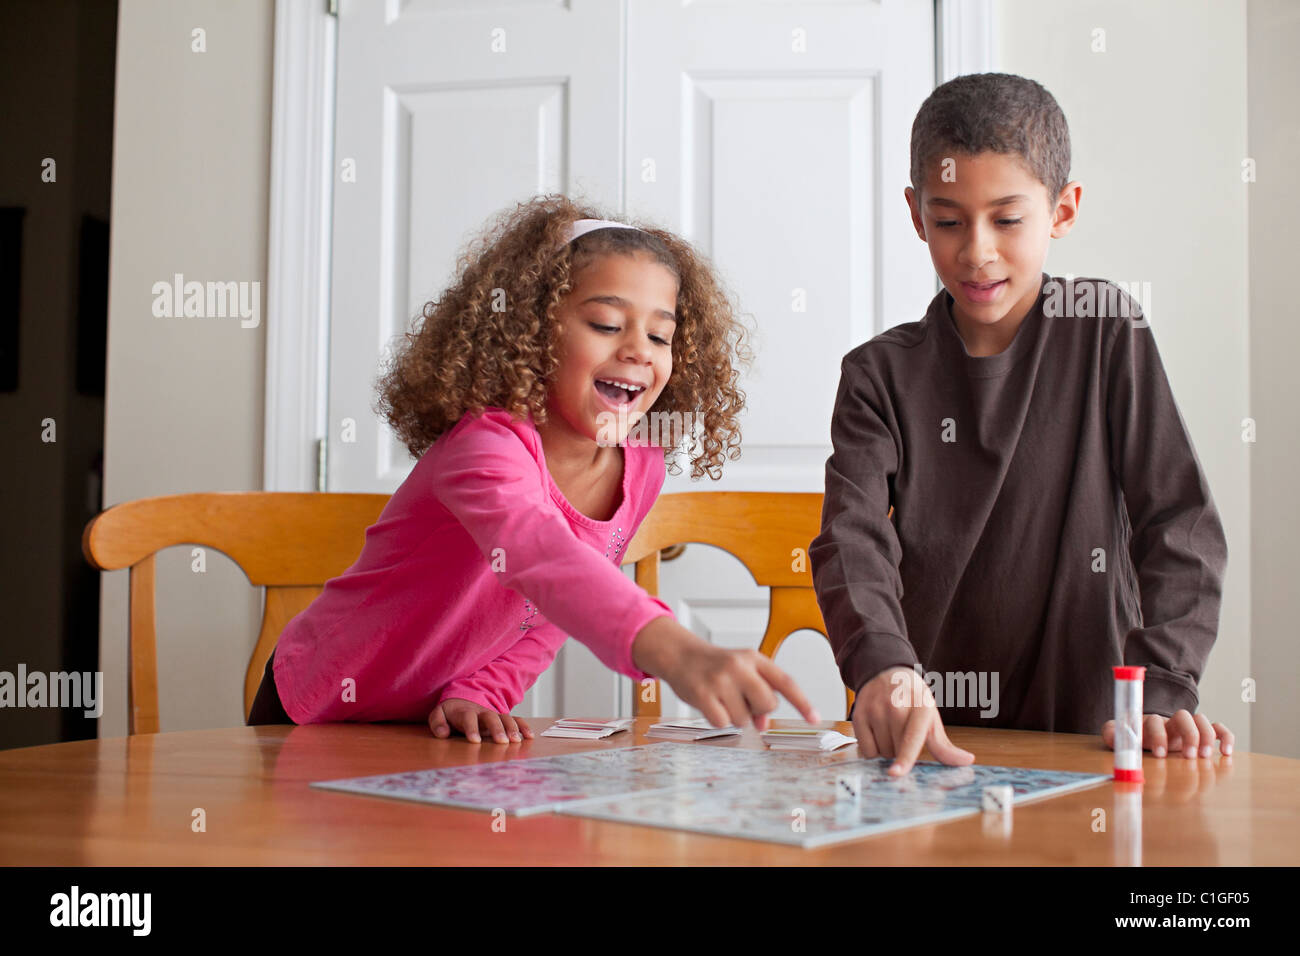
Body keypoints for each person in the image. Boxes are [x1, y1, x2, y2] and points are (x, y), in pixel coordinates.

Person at [248, 195, 819, 740]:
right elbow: (541, 556)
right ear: (531, 331)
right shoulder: (483, 446)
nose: (640, 350)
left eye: (660, 335)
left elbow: (550, 611)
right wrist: (673, 647)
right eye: (604, 324)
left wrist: (485, 690)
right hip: (316, 710)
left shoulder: (641, 465)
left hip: (427, 729)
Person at [810, 72, 1233, 775]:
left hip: (1098, 734)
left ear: (1062, 210)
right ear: (916, 215)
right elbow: (851, 538)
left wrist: (1162, 688)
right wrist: (881, 664)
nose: (977, 251)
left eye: (1007, 220)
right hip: (937, 744)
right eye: (949, 221)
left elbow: (1180, 521)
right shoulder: (877, 375)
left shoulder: (1105, 331)